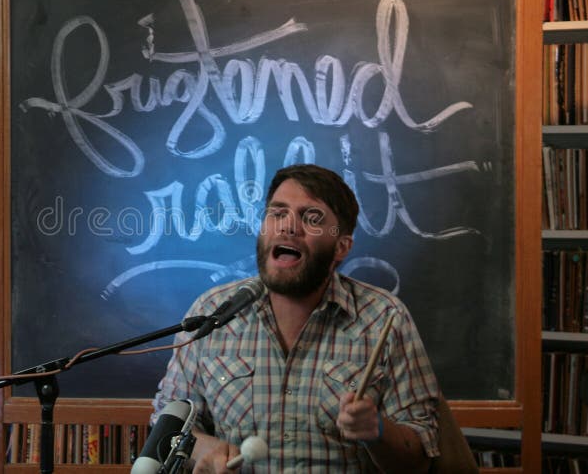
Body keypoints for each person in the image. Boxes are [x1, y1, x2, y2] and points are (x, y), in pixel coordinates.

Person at [151, 164, 440, 473]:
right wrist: (205, 450)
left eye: (311, 218)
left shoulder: (384, 318)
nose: (288, 227)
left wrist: (379, 431)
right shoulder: (212, 312)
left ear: (341, 247)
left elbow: (420, 461)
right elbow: (167, 426)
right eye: (278, 213)